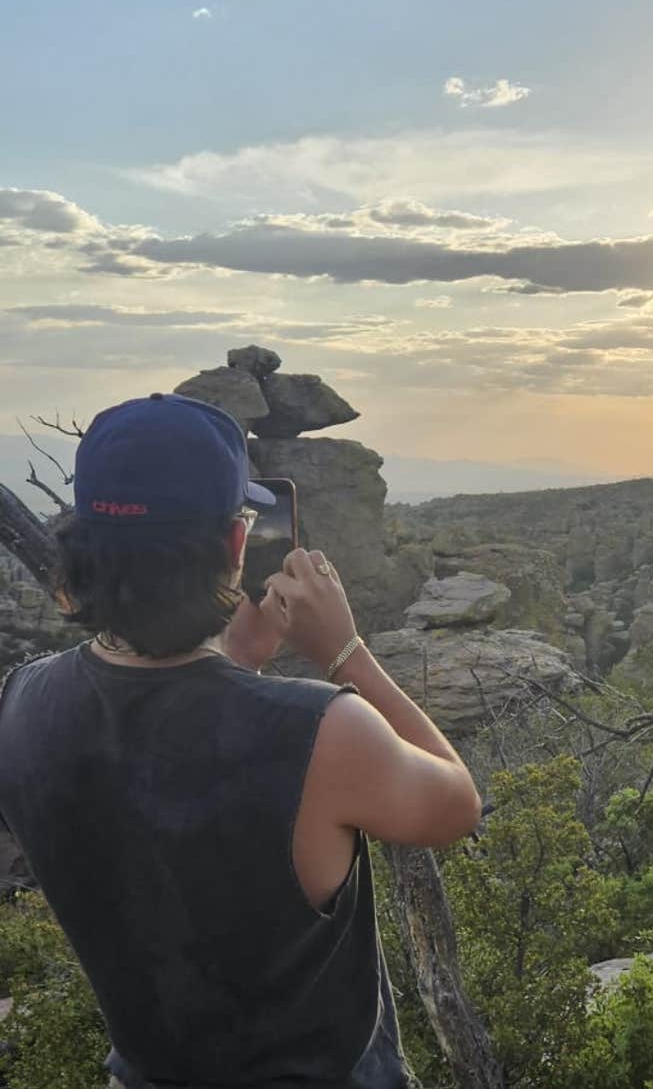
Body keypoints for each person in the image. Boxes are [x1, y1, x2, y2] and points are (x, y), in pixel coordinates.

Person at [0, 393, 482, 1089]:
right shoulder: (320, 730)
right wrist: (345, 651)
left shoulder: (20, 703)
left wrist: (237, 663)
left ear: (80, 545)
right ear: (235, 545)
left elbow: (158, 778)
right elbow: (455, 804)